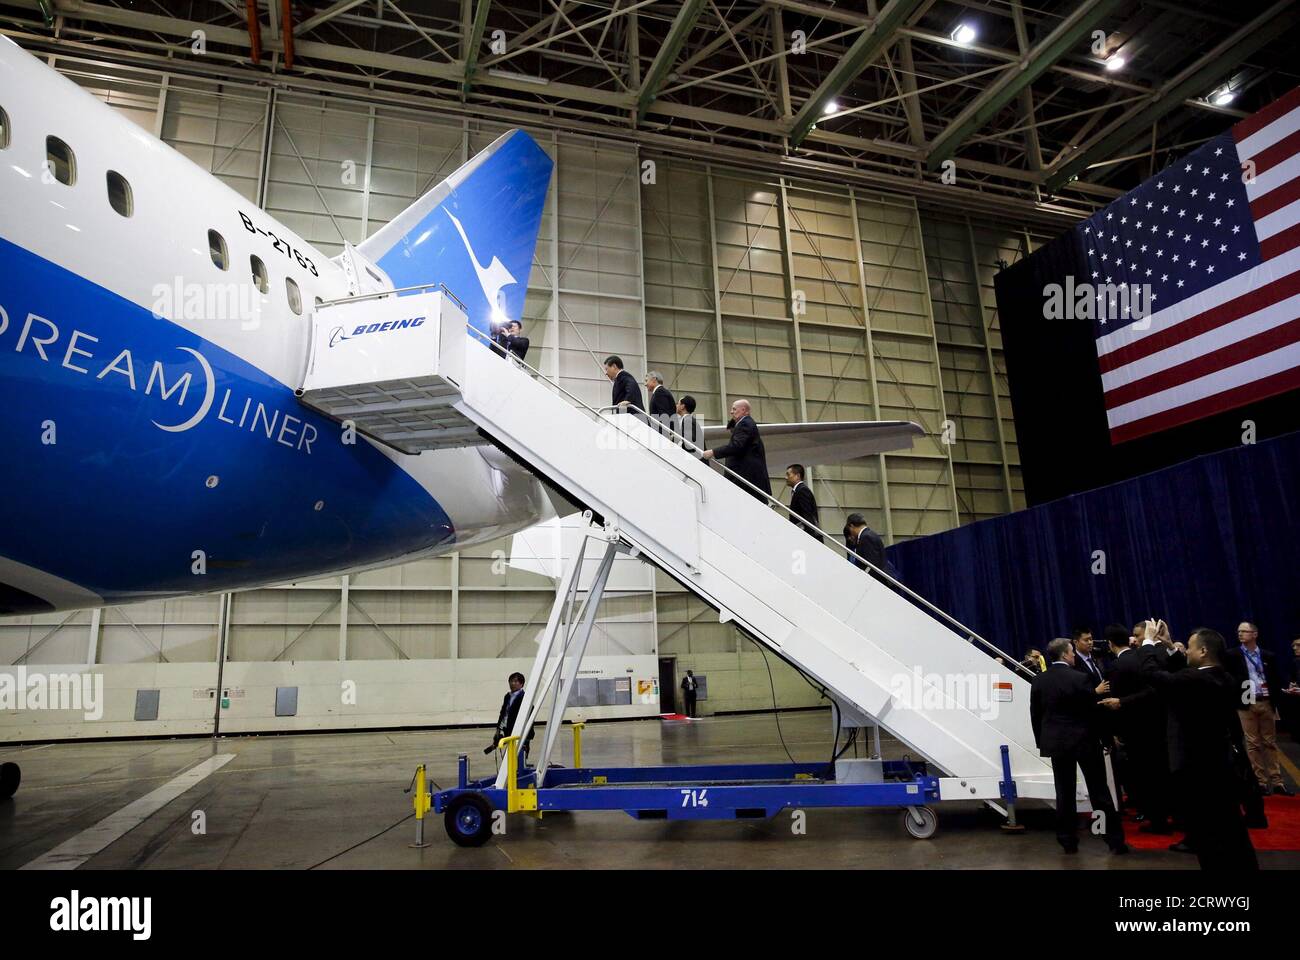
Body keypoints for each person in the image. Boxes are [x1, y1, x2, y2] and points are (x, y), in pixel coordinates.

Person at [1130, 626, 1259, 870]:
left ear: (1202, 650)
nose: (1185, 650)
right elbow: (1186, 672)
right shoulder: (1223, 676)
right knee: (1232, 831)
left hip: (1199, 770)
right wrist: (1168, 645)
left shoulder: (1196, 679)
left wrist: (1148, 643)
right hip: (1221, 766)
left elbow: (1152, 674)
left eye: (1189, 647)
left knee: (1208, 836)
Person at [1029, 637, 1126, 855]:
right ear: (1064, 654)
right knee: (1098, 792)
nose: (1074, 655)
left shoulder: (1039, 681)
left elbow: (1036, 715)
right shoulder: (1081, 678)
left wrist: (1042, 742)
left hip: (1057, 744)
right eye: (1072, 651)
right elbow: (1093, 712)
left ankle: (1068, 840)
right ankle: (1112, 839)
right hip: (1085, 742)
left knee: (1064, 793)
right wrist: (1106, 739)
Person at [1102, 623, 1171, 832]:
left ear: (1110, 644)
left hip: (1133, 729)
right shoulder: (1143, 658)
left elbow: (1116, 701)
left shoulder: (1116, 666)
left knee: (1144, 776)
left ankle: (1156, 819)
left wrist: (1114, 729)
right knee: (1159, 773)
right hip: (1157, 726)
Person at [1225, 622, 1292, 795]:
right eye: (1238, 631)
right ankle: (1260, 782)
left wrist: (1280, 693)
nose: (1240, 634)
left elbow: (1276, 678)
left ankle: (1277, 781)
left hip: (1266, 700)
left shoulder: (1268, 655)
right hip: (1246, 702)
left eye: (1244, 631)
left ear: (1255, 634)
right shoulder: (1232, 655)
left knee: (1269, 742)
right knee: (1252, 743)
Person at [701, 399, 770, 500]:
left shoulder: (745, 424)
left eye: (734, 409)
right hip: (746, 478)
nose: (731, 412)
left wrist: (713, 452)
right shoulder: (745, 423)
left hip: (746, 479)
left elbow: (737, 446)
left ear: (743, 410)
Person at [485, 672, 535, 758]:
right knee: (510, 756)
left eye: (516, 681)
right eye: (511, 681)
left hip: (521, 731)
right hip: (508, 730)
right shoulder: (507, 696)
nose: (513, 683)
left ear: (521, 684)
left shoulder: (525, 697)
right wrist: (498, 729)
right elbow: (503, 713)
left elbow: (529, 715)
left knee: (519, 757)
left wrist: (527, 734)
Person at [784, 464, 822, 543]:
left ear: (797, 476)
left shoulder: (802, 491)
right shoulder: (798, 491)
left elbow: (807, 515)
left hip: (807, 537)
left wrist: (809, 539)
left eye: (788, 474)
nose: (786, 477)